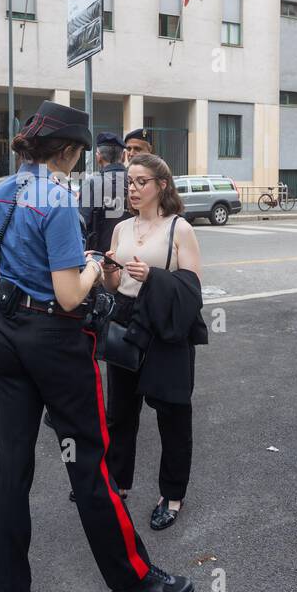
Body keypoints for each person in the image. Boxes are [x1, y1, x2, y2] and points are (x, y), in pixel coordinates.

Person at [0, 100, 194, 592]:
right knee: (89, 463)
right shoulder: (55, 198)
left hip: (7, 333)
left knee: (11, 466)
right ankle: (131, 580)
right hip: (54, 337)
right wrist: (93, 264)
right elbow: (69, 293)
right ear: (72, 151)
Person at [101, 153, 206, 530]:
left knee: (172, 413)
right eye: (129, 182)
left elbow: (192, 290)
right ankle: (119, 481)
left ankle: (172, 494)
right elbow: (113, 287)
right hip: (126, 320)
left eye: (141, 182)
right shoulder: (121, 229)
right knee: (121, 411)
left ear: (161, 185)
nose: (132, 188)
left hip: (165, 328)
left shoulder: (180, 228)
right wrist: (109, 272)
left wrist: (153, 277)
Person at [80, 131, 132, 253]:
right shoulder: (137, 181)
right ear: (124, 156)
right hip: (135, 256)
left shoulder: (92, 184)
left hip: (102, 258)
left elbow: (82, 224)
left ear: (98, 157)